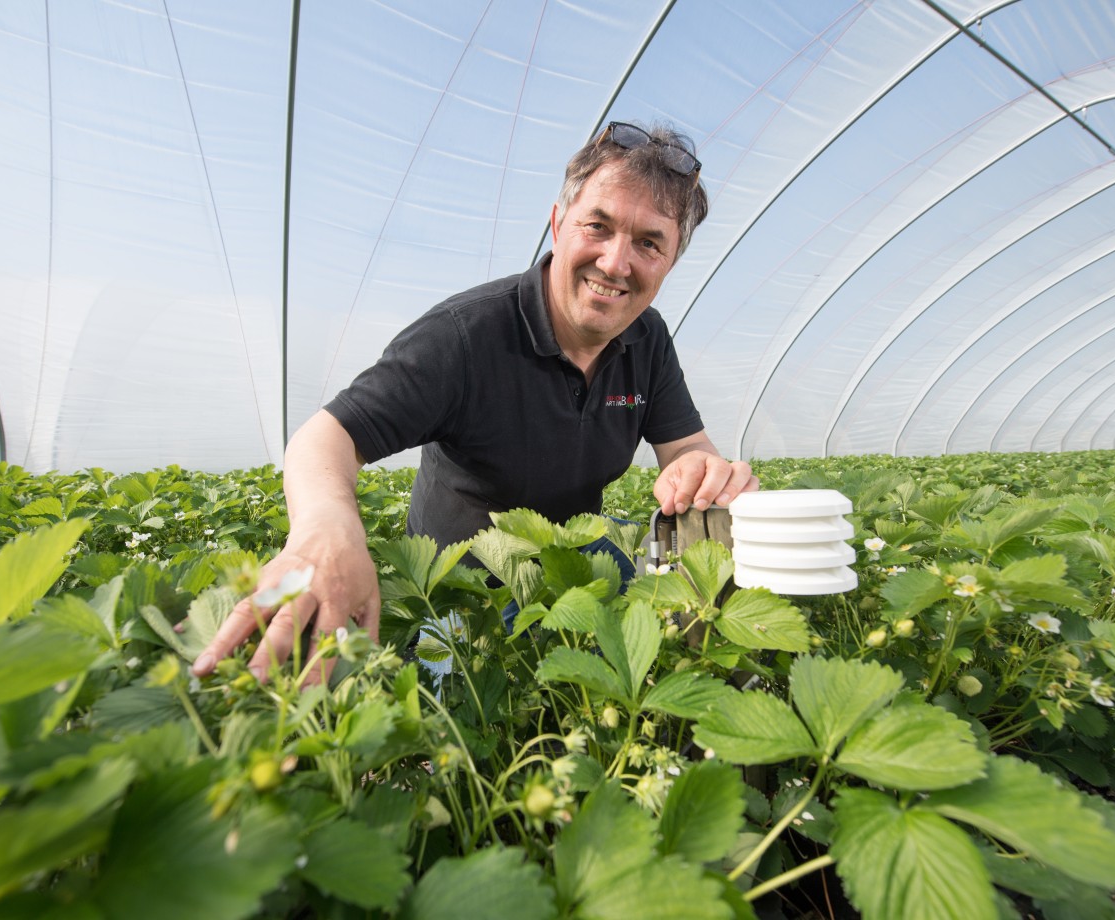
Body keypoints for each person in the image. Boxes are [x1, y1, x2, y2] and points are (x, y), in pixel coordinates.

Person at [191, 121, 758, 684]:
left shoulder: (646, 336)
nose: (615, 263)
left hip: (568, 578)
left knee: (672, 606)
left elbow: (687, 450)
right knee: (457, 718)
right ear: (559, 225)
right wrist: (325, 524)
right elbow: (328, 435)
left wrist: (702, 472)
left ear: (671, 260)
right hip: (462, 597)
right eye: (598, 226)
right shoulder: (465, 335)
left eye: (648, 243)